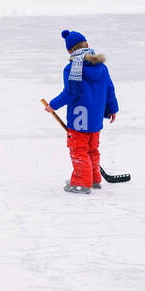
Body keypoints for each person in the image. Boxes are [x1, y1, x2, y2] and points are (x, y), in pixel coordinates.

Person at [47, 30, 118, 194]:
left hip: (79, 118)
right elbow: (109, 90)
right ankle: (93, 179)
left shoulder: (72, 68)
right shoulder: (102, 68)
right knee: (92, 150)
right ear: (87, 45)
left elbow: (71, 93)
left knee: (78, 149)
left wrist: (53, 105)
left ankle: (82, 182)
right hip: (95, 118)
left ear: (69, 51)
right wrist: (112, 109)